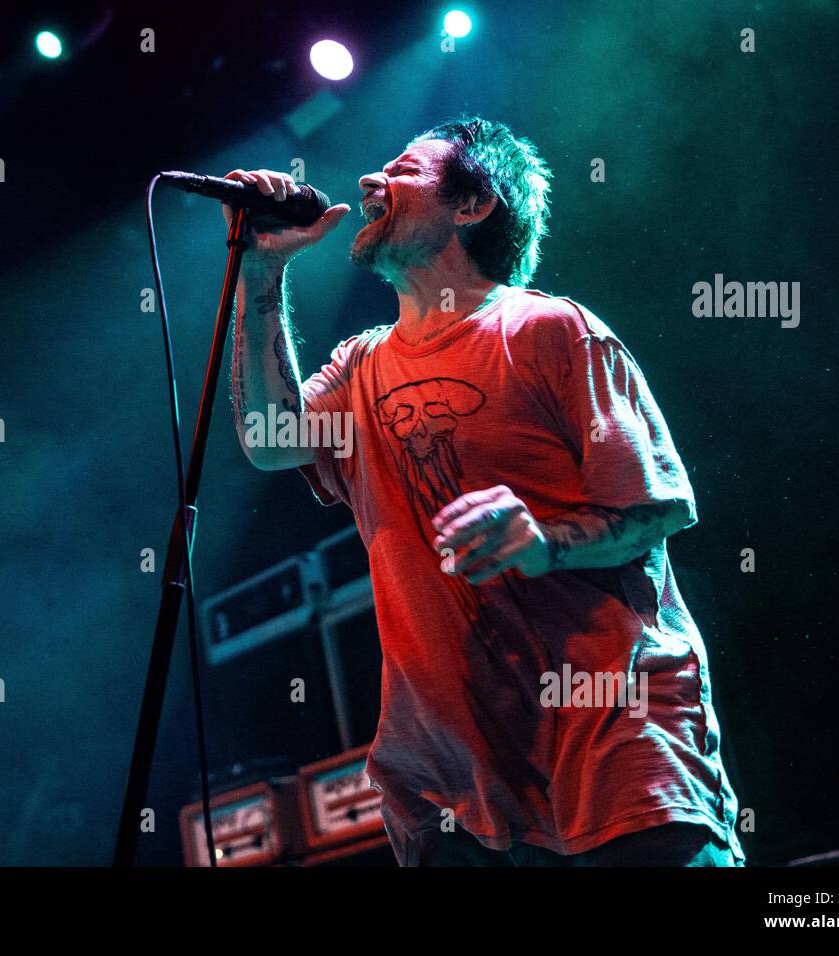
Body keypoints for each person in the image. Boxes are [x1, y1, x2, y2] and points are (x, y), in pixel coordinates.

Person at [224, 115, 746, 866]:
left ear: (473, 205)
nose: (372, 181)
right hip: (447, 789)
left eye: (404, 168)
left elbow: (655, 509)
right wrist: (261, 274)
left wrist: (543, 542)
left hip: (613, 753)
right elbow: (271, 444)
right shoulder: (361, 366)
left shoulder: (551, 331)